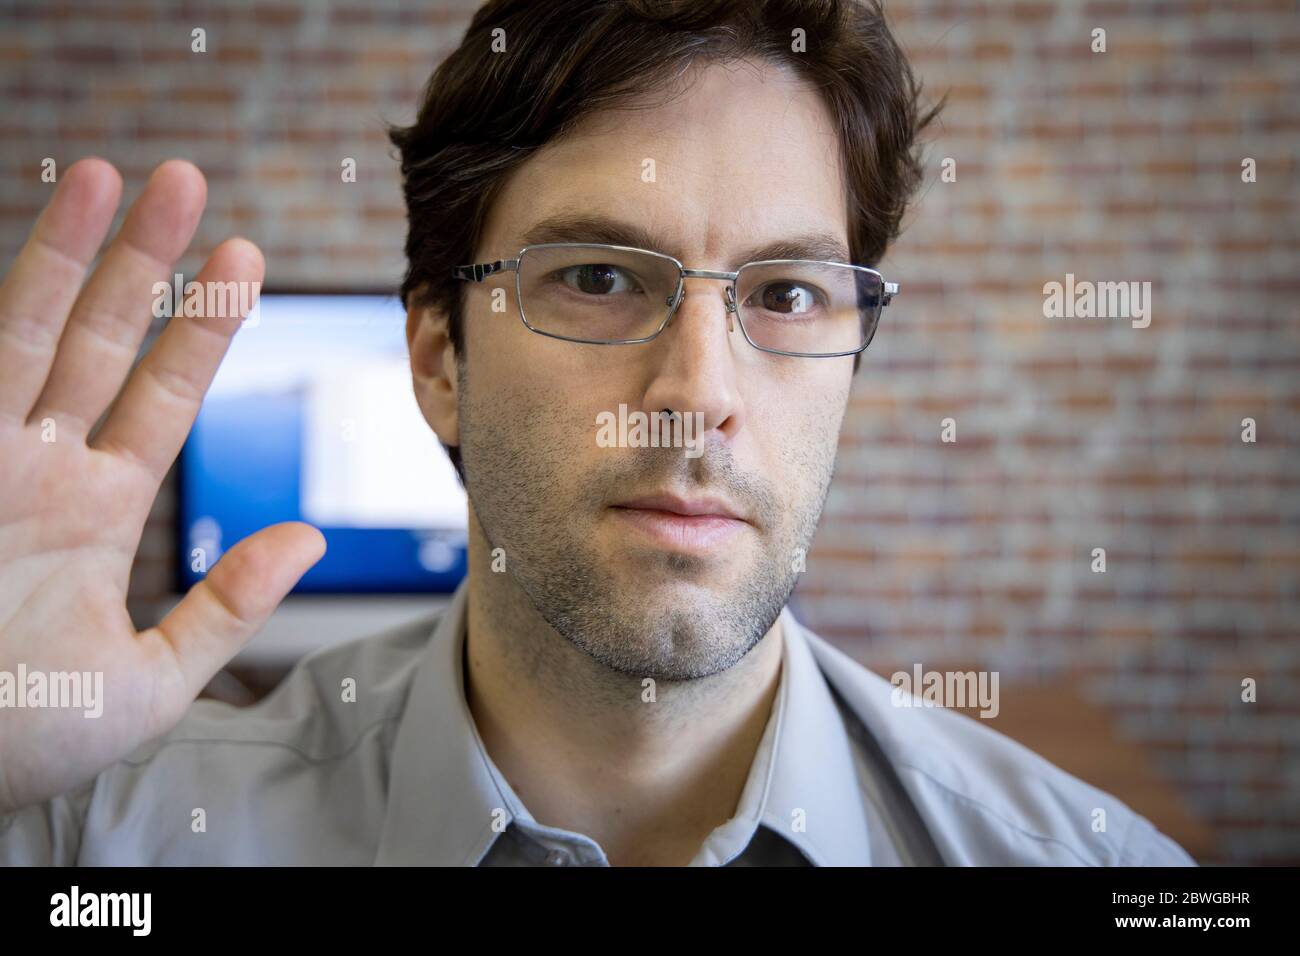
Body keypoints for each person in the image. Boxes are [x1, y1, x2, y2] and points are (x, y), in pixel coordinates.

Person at [0, 0, 1194, 866]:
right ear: (440, 361)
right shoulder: (106, 841)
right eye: (598, 277)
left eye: (785, 293)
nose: (697, 392)